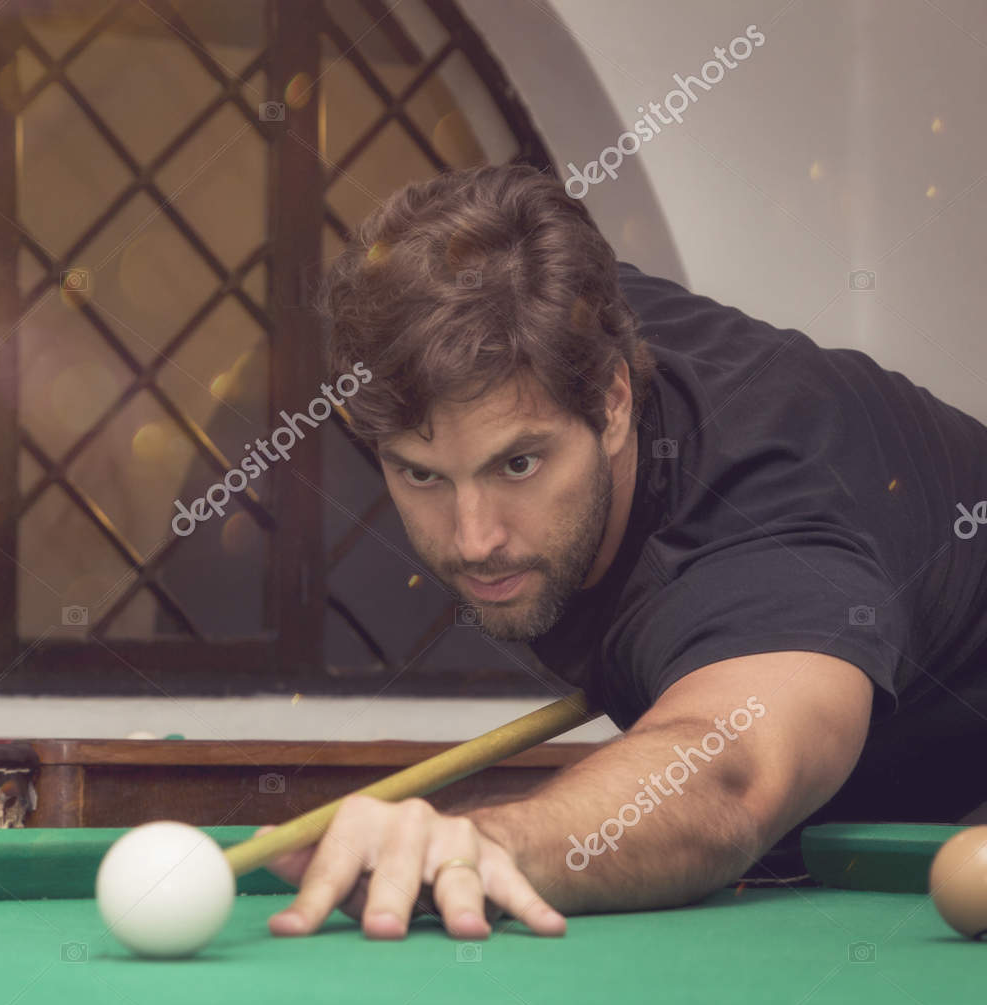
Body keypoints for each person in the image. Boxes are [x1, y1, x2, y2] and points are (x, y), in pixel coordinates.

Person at [265, 164, 987, 942]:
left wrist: (491, 843)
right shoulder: (544, 324)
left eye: (518, 464)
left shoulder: (770, 522)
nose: (474, 539)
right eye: (422, 474)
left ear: (614, 404)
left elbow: (727, 773)